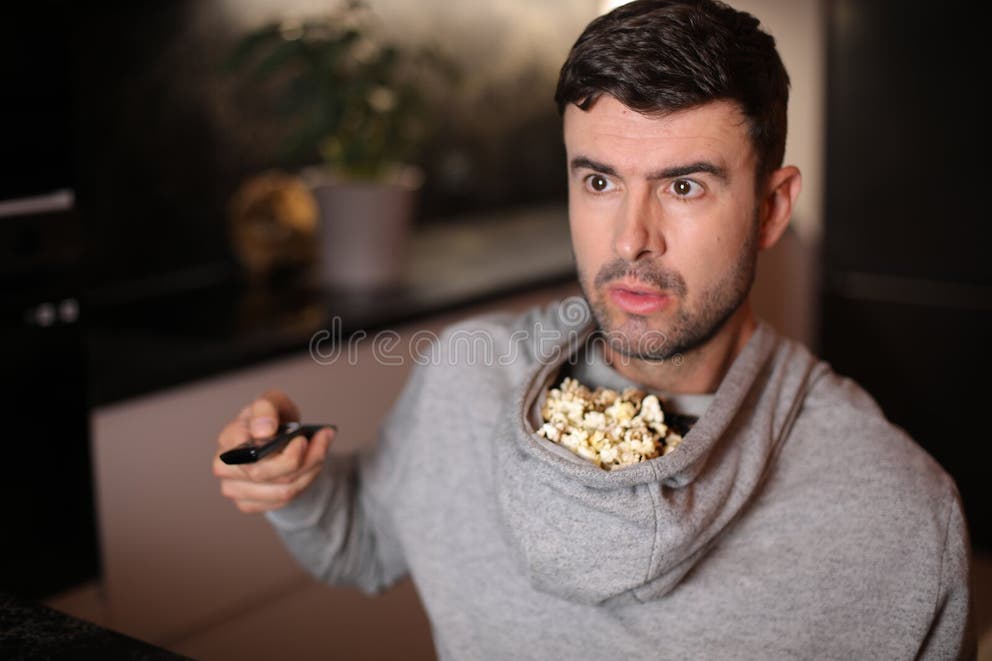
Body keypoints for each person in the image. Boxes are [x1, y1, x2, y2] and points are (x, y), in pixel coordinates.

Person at [212, 1, 976, 658]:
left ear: (772, 209)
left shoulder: (895, 519)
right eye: (600, 181)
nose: (629, 240)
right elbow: (361, 539)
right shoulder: (466, 379)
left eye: (683, 186)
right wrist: (298, 485)